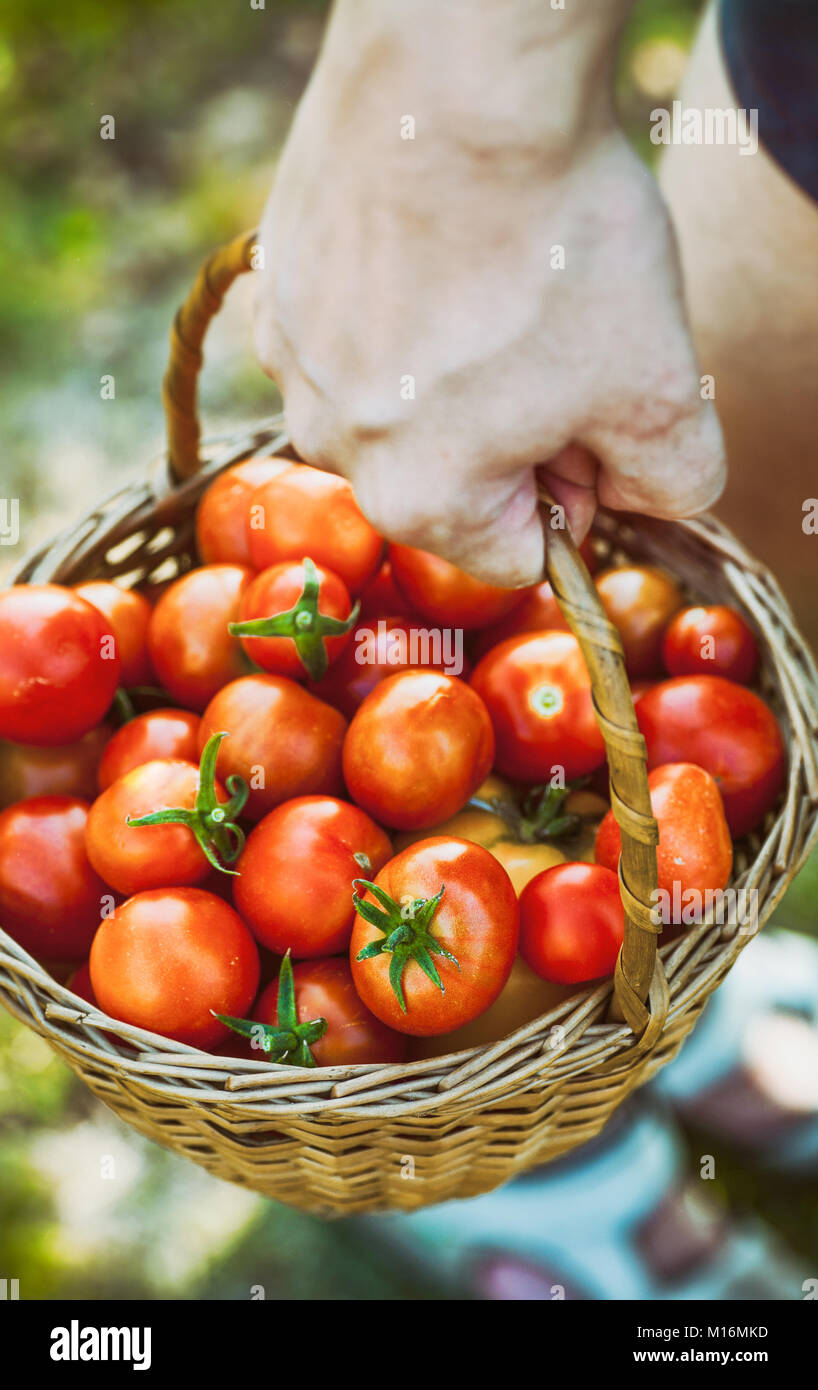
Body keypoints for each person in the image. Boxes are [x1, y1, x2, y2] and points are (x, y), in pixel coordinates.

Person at [253, 0, 818, 1297]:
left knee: (687, 603)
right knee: (707, 502)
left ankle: (656, 994)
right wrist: (467, 116)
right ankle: (535, 1155)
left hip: (513, 824)